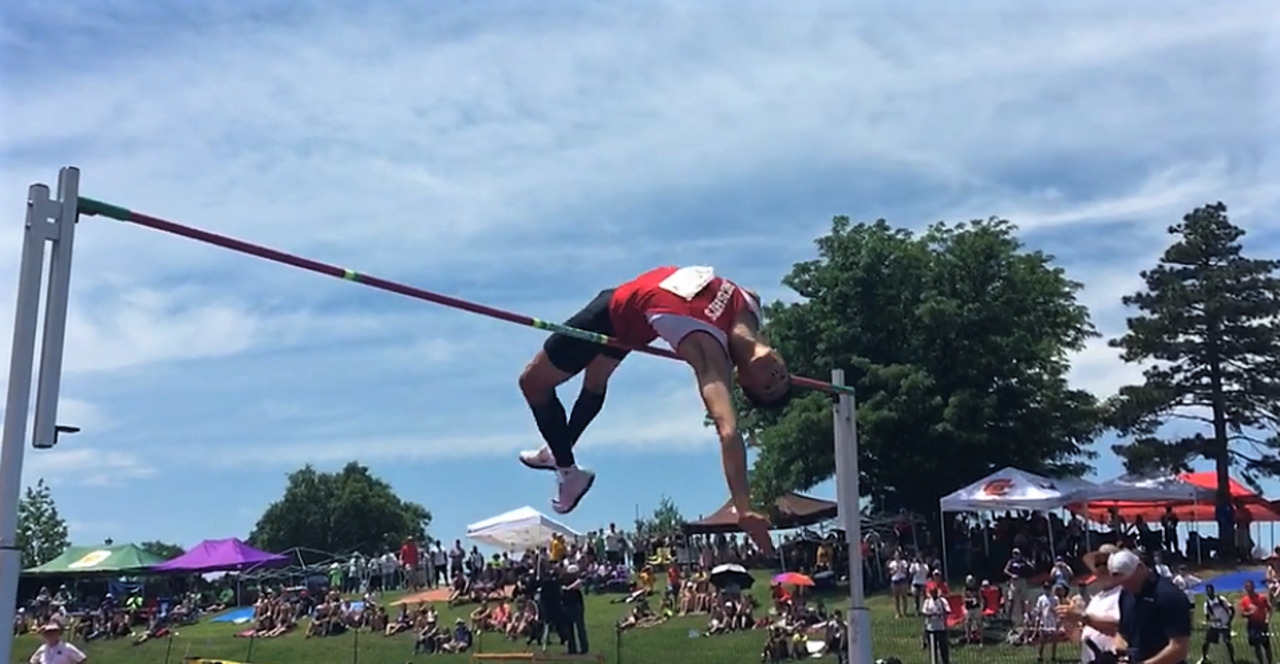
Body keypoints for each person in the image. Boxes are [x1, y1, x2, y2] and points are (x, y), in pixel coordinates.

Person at [516, 266, 791, 542]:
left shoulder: (710, 356)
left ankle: (568, 471)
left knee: (533, 383)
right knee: (595, 381)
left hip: (613, 310)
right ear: (779, 355)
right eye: (783, 378)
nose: (776, 379)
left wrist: (743, 509)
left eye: (768, 387)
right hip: (636, 318)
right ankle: (557, 450)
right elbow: (752, 294)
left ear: (743, 382)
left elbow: (728, 432)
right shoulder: (751, 309)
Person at [1064, 549, 1191, 664]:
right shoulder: (1126, 595)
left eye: (1129, 580)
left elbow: (1179, 648)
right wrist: (1117, 655)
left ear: (1140, 567)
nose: (1125, 586)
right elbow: (1123, 632)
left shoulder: (1169, 595)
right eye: (1121, 583)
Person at [1056, 544, 1123, 663]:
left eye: (1105, 563)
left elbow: (1122, 628)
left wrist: (1082, 617)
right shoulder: (1096, 599)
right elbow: (1079, 638)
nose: (1101, 568)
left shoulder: (1125, 593)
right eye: (1097, 565)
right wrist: (1070, 623)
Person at [1201, 583, 1236, 664]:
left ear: (1213, 591)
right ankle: (1204, 657)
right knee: (1206, 642)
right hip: (1215, 626)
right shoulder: (1207, 604)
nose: (1209, 593)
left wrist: (1229, 621)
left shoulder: (1221, 599)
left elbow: (1232, 609)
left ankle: (1232, 659)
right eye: (1208, 591)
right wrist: (1214, 620)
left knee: (1227, 642)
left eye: (1211, 591)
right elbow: (1208, 618)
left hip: (1225, 625)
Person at [1239, 579, 1271, 664]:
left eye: (1250, 587)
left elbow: (1268, 609)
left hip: (1262, 624)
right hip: (1252, 625)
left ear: (1254, 587)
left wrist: (1267, 619)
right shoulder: (1244, 600)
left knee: (1266, 645)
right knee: (1256, 646)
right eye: (1247, 588)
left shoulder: (1261, 598)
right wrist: (1250, 613)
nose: (1249, 590)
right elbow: (1242, 614)